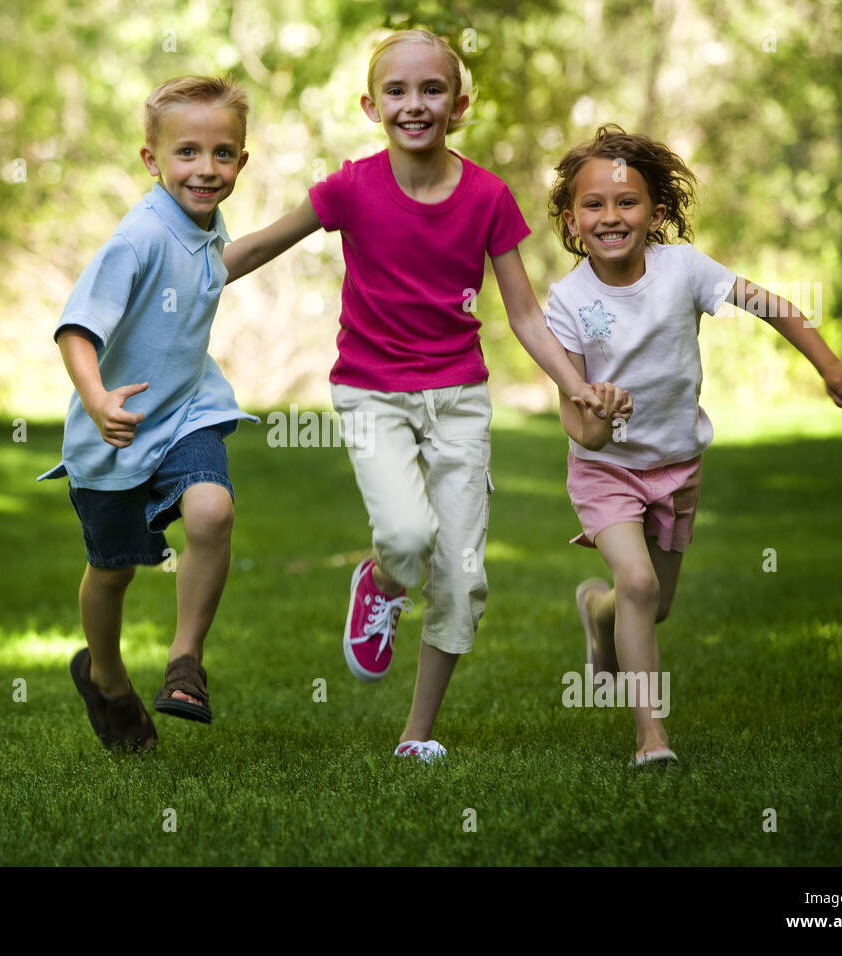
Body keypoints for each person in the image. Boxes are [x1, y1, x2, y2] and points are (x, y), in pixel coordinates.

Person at [224, 30, 627, 762]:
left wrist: (575, 386)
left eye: (432, 90)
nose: (415, 105)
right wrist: (171, 284)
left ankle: (417, 734)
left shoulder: (486, 197)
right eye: (398, 91)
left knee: (464, 576)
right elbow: (257, 246)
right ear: (371, 105)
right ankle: (378, 582)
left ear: (459, 104)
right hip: (371, 393)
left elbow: (526, 315)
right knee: (408, 537)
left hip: (459, 400)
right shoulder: (350, 187)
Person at [544, 124, 842, 766]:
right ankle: (651, 737)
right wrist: (601, 415)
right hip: (607, 468)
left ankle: (597, 614)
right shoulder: (566, 302)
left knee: (653, 605)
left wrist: (828, 366)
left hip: (677, 466)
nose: (611, 216)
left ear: (656, 213)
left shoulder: (684, 269)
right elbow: (577, 429)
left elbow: (772, 306)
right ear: (571, 218)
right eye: (594, 204)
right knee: (637, 583)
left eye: (627, 202)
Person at [38, 76, 257, 752]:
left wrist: (316, 215)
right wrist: (98, 398)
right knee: (114, 571)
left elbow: (221, 266)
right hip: (117, 433)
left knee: (213, 512)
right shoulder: (136, 239)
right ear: (151, 159)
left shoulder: (200, 225)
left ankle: (184, 663)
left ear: (242, 163)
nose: (206, 168)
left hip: (188, 410)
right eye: (187, 152)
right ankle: (105, 679)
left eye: (223, 154)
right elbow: (77, 330)